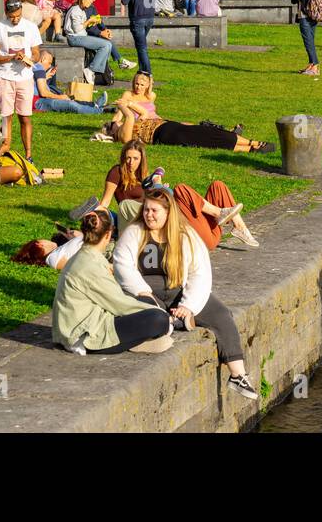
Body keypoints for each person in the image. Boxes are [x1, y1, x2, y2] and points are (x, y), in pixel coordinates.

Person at [113, 189, 260, 397]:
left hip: (176, 292)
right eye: (146, 209)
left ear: (167, 212)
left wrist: (188, 305)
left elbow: (199, 272)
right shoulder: (134, 232)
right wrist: (142, 292)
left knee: (221, 314)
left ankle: (238, 375)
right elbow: (122, 265)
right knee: (152, 318)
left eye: (154, 210)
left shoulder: (185, 235)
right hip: (145, 293)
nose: (149, 214)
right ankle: (173, 322)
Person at [80, 141, 259, 248]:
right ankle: (219, 213)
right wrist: (98, 213)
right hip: (143, 215)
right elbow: (106, 201)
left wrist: (157, 188)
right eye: (127, 157)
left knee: (217, 186)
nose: (130, 162)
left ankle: (239, 227)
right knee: (179, 189)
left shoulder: (143, 176)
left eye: (135, 158)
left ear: (142, 159)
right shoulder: (117, 172)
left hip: (199, 229)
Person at [53, 210, 174, 356]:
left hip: (87, 320)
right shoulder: (90, 265)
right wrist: (165, 316)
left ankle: (143, 338)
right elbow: (119, 303)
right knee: (159, 319)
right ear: (108, 235)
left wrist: (148, 305)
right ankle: (141, 341)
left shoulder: (83, 256)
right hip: (85, 335)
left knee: (146, 300)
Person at [110, 71, 274, 152]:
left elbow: (144, 115)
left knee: (202, 132)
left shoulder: (129, 122)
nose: (138, 87)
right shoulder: (125, 133)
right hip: (164, 133)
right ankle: (251, 147)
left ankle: (251, 143)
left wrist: (120, 114)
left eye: (142, 84)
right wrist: (125, 108)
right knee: (205, 140)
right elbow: (129, 116)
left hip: (164, 125)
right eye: (137, 83)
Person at [0, 0, 42, 160]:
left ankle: (29, 155)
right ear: (6, 13)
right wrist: (11, 57)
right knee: (5, 117)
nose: (15, 19)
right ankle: (4, 150)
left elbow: (37, 52)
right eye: (12, 17)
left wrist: (31, 59)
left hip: (24, 77)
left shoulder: (31, 27)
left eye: (18, 15)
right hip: (4, 77)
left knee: (25, 117)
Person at [66, 0, 132, 84]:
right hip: (75, 38)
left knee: (108, 45)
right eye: (89, 0)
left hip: (81, 37)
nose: (91, 2)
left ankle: (94, 72)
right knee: (105, 45)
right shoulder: (75, 10)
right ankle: (91, 70)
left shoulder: (82, 10)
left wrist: (97, 24)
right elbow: (77, 29)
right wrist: (89, 21)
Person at [32, 51, 108, 114]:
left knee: (69, 100)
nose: (49, 66)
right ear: (43, 59)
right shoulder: (39, 68)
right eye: (49, 63)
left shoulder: (35, 67)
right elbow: (43, 93)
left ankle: (94, 105)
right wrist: (60, 97)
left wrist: (45, 77)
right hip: (37, 101)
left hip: (37, 100)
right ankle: (100, 110)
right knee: (70, 104)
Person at [120, 0, 157, 75]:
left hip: (138, 17)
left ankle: (147, 73)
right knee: (141, 45)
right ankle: (142, 70)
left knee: (142, 47)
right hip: (150, 16)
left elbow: (124, 1)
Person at [291, 0, 322, 76]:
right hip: (314, 17)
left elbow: (293, 0)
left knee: (308, 43)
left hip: (304, 17)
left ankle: (315, 66)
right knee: (311, 42)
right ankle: (311, 64)